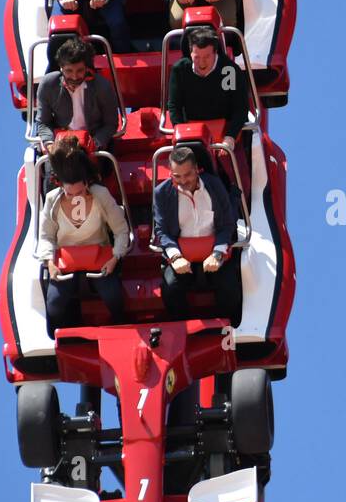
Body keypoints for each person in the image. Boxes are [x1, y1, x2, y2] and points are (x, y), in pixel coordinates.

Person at [37, 137, 131, 337]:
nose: (75, 197)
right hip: (65, 262)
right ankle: (66, 337)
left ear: (87, 183)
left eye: (80, 192)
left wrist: (116, 257)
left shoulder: (100, 194)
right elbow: (45, 236)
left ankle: (120, 330)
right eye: (70, 194)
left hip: (100, 258)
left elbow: (121, 230)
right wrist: (49, 263)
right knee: (54, 305)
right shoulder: (53, 200)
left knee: (114, 298)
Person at [153, 146, 242, 324]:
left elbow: (227, 224)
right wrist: (176, 257)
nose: (183, 181)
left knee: (230, 286)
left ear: (196, 170)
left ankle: (226, 325)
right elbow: (161, 231)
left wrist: (217, 254)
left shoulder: (214, 186)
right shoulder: (162, 193)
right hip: (182, 255)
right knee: (170, 287)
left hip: (214, 251)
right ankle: (181, 325)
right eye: (177, 176)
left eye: (187, 175)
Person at [35, 38, 121, 154]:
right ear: (61, 68)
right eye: (69, 71)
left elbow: (110, 124)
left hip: (93, 144)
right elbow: (43, 122)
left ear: (87, 68)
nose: (74, 77)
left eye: (79, 71)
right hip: (60, 143)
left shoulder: (102, 87)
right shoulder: (48, 85)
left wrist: (95, 144)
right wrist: (50, 145)